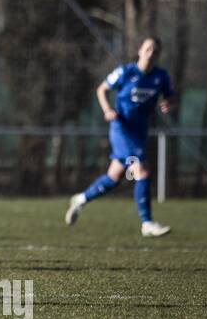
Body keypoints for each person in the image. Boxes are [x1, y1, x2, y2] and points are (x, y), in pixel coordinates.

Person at [65, 36, 176, 236]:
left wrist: (167, 103)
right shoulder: (126, 72)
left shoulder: (161, 77)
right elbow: (102, 89)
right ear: (140, 50)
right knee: (141, 170)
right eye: (148, 48)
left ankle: (80, 199)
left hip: (139, 132)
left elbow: (169, 96)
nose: (151, 53)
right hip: (121, 129)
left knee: (114, 177)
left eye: (155, 51)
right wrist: (107, 110)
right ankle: (147, 223)